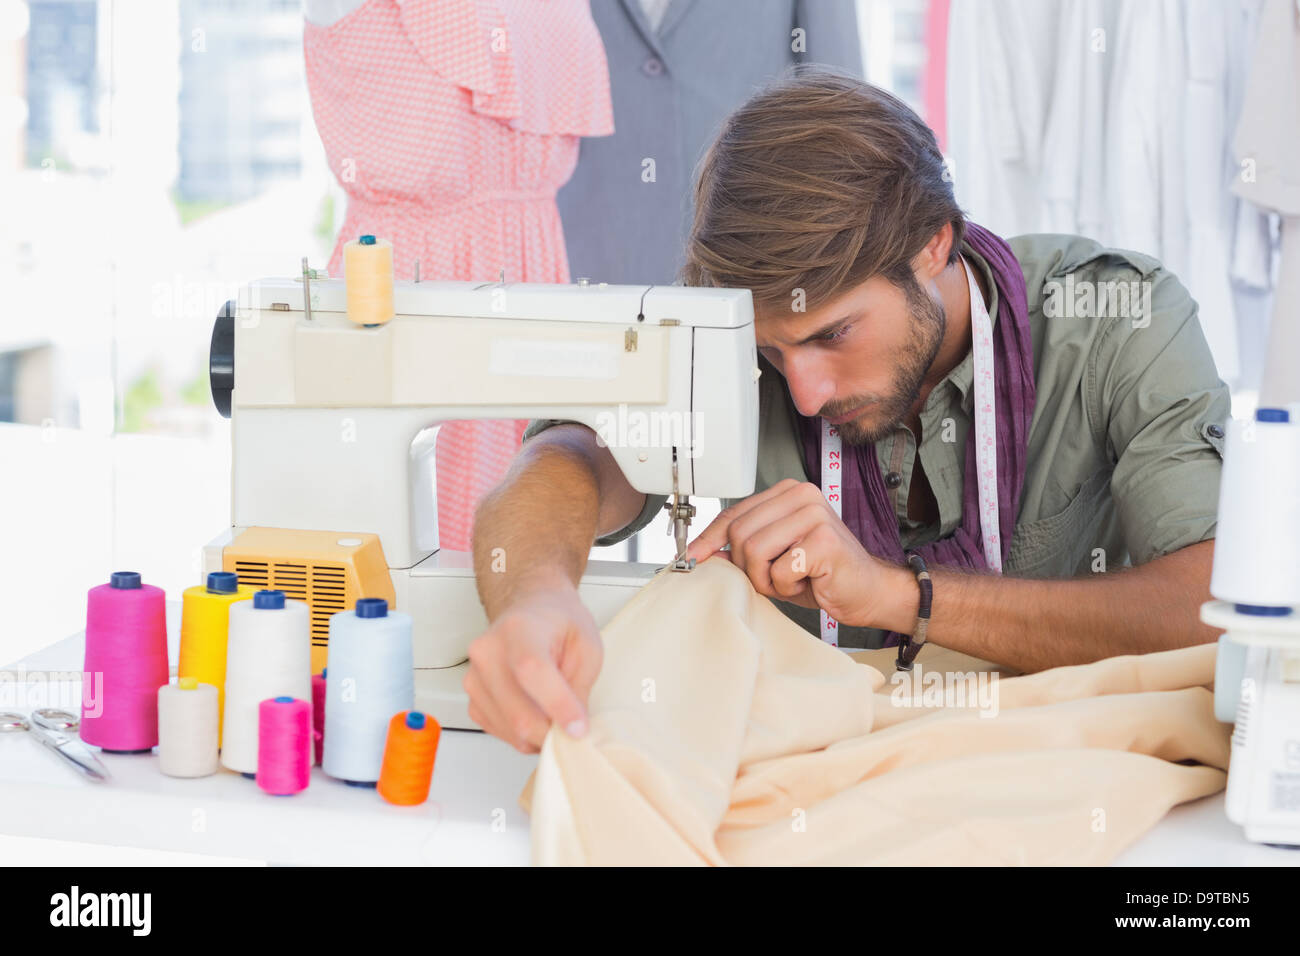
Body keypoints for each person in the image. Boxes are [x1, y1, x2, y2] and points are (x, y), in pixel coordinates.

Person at [466, 68, 1230, 754]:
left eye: (834, 334)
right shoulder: (724, 329)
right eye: (774, 353)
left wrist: (896, 593)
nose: (804, 393)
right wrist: (535, 598)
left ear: (936, 244)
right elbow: (563, 458)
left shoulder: (1117, 319)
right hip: (821, 774)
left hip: (1067, 762)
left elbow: (1211, 607)